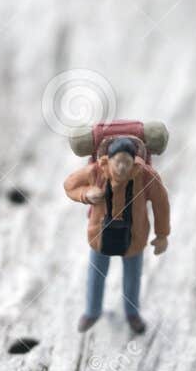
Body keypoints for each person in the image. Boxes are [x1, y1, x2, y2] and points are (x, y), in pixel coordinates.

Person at [63, 135, 170, 335]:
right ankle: (92, 311)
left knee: (132, 277)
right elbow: (70, 185)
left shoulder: (145, 176)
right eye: (118, 162)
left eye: (127, 162)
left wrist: (162, 234)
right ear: (108, 159)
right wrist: (86, 194)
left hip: (134, 236)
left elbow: (161, 202)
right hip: (100, 235)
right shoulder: (96, 171)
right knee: (96, 275)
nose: (122, 167)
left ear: (135, 161)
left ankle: (132, 313)